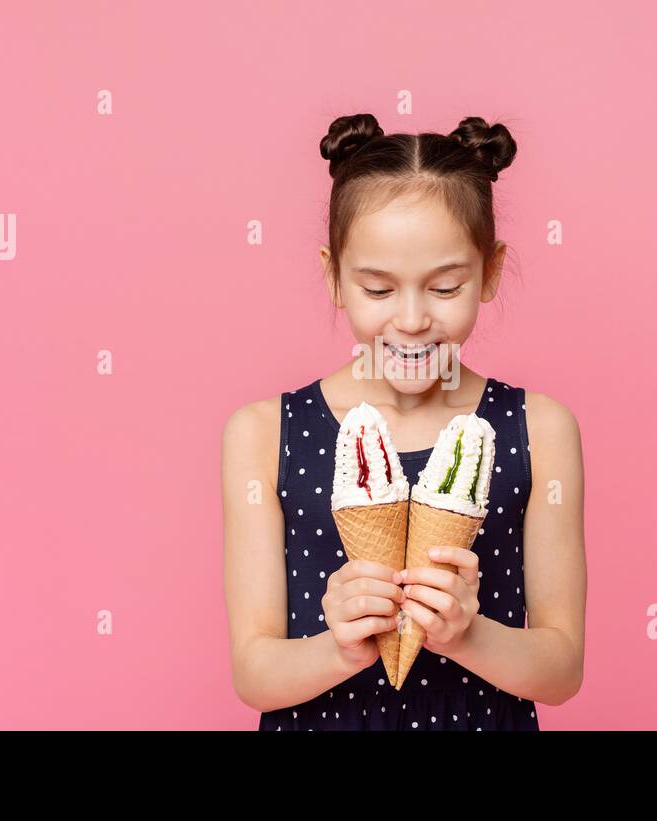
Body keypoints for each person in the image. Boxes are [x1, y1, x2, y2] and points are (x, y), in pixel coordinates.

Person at [222, 113, 586, 730]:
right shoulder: (262, 435)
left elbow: (562, 668)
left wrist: (467, 636)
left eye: (445, 288)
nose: (412, 319)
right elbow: (254, 675)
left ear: (490, 272)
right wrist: (336, 648)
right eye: (379, 289)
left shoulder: (538, 429)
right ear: (334, 276)